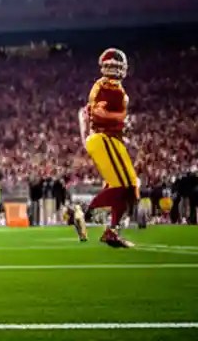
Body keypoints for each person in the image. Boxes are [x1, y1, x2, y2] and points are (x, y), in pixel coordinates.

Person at [66, 48, 140, 248]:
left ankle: (112, 231)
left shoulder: (108, 87)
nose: (117, 70)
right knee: (127, 187)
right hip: (104, 138)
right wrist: (122, 120)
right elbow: (98, 114)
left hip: (109, 139)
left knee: (128, 189)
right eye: (114, 66)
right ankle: (82, 209)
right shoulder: (109, 88)